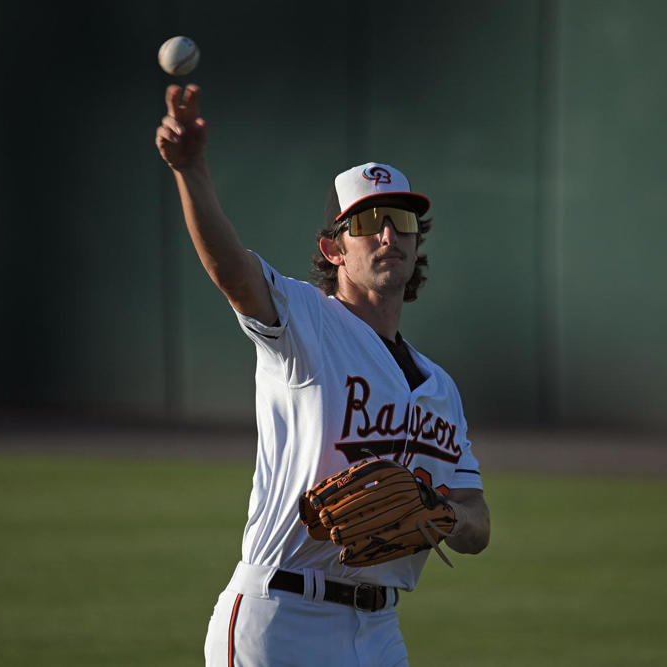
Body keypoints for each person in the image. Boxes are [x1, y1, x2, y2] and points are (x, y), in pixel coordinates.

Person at [155, 83, 490, 667]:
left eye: (403, 219)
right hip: (280, 619)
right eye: (370, 221)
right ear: (334, 248)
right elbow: (231, 269)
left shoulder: (440, 388)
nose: (389, 234)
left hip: (379, 628)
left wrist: (444, 514)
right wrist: (190, 170)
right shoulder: (304, 324)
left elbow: (478, 523)